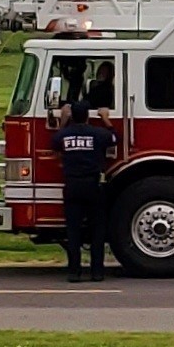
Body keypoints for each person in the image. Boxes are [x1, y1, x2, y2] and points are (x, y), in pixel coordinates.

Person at [51, 100, 114, 283]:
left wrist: (63, 120)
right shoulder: (98, 133)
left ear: (72, 116)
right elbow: (114, 138)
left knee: (73, 231)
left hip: (72, 186)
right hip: (93, 185)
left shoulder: (64, 134)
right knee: (97, 230)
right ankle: (97, 272)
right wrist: (105, 118)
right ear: (87, 116)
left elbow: (55, 142)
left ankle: (74, 272)